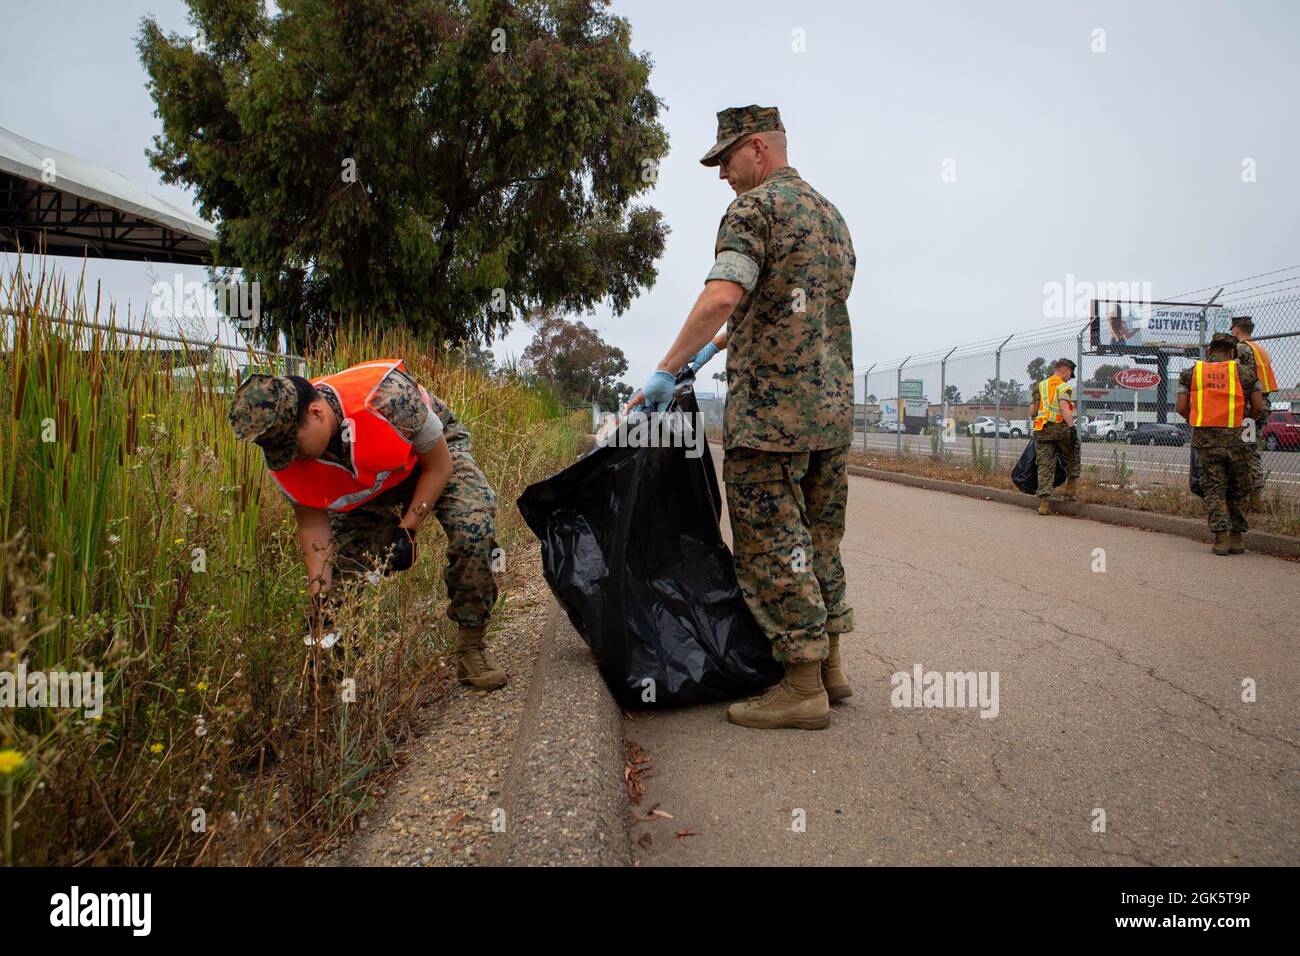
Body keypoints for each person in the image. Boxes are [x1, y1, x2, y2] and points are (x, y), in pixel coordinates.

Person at [627, 105, 856, 730]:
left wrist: (665, 368)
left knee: (772, 543)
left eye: (726, 159)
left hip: (773, 418)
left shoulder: (755, 210)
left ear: (758, 148)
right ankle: (831, 667)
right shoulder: (830, 217)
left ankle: (801, 686)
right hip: (831, 416)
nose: (722, 173)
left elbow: (724, 293)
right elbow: (774, 311)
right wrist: (706, 353)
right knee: (819, 541)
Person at [229, 359, 507, 689]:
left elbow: (438, 466)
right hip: (374, 485)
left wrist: (408, 529)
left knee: (472, 530)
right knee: (338, 593)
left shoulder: (389, 399)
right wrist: (320, 593)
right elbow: (313, 526)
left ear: (316, 414)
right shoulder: (283, 453)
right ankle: (338, 691)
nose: (291, 460)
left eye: (295, 448)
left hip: (433, 456)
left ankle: (471, 647)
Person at [1176, 333, 1265, 555]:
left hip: (1207, 442)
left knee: (1214, 489)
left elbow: (1180, 407)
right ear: (1232, 352)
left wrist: (1196, 421)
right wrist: (1247, 421)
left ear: (1209, 351)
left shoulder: (1191, 373)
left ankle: (1220, 540)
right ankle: (1237, 538)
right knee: (1238, 488)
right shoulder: (1246, 373)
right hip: (1238, 441)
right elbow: (1258, 406)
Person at [1229, 315, 1277, 511]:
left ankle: (1251, 499)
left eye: (1232, 330)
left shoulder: (1241, 349)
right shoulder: (1262, 351)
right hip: (1263, 401)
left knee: (1246, 450)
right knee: (1251, 446)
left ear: (1236, 330)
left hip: (1249, 404)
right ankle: (1252, 497)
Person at [1029, 358, 1081, 515]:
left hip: (1041, 430)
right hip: (1060, 429)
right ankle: (1070, 491)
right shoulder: (1062, 386)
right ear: (1064, 371)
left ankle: (1044, 505)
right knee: (1073, 453)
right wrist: (1072, 427)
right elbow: (1064, 408)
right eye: (1070, 374)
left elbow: (1032, 412)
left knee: (1045, 465)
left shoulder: (1040, 386)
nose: (1069, 378)